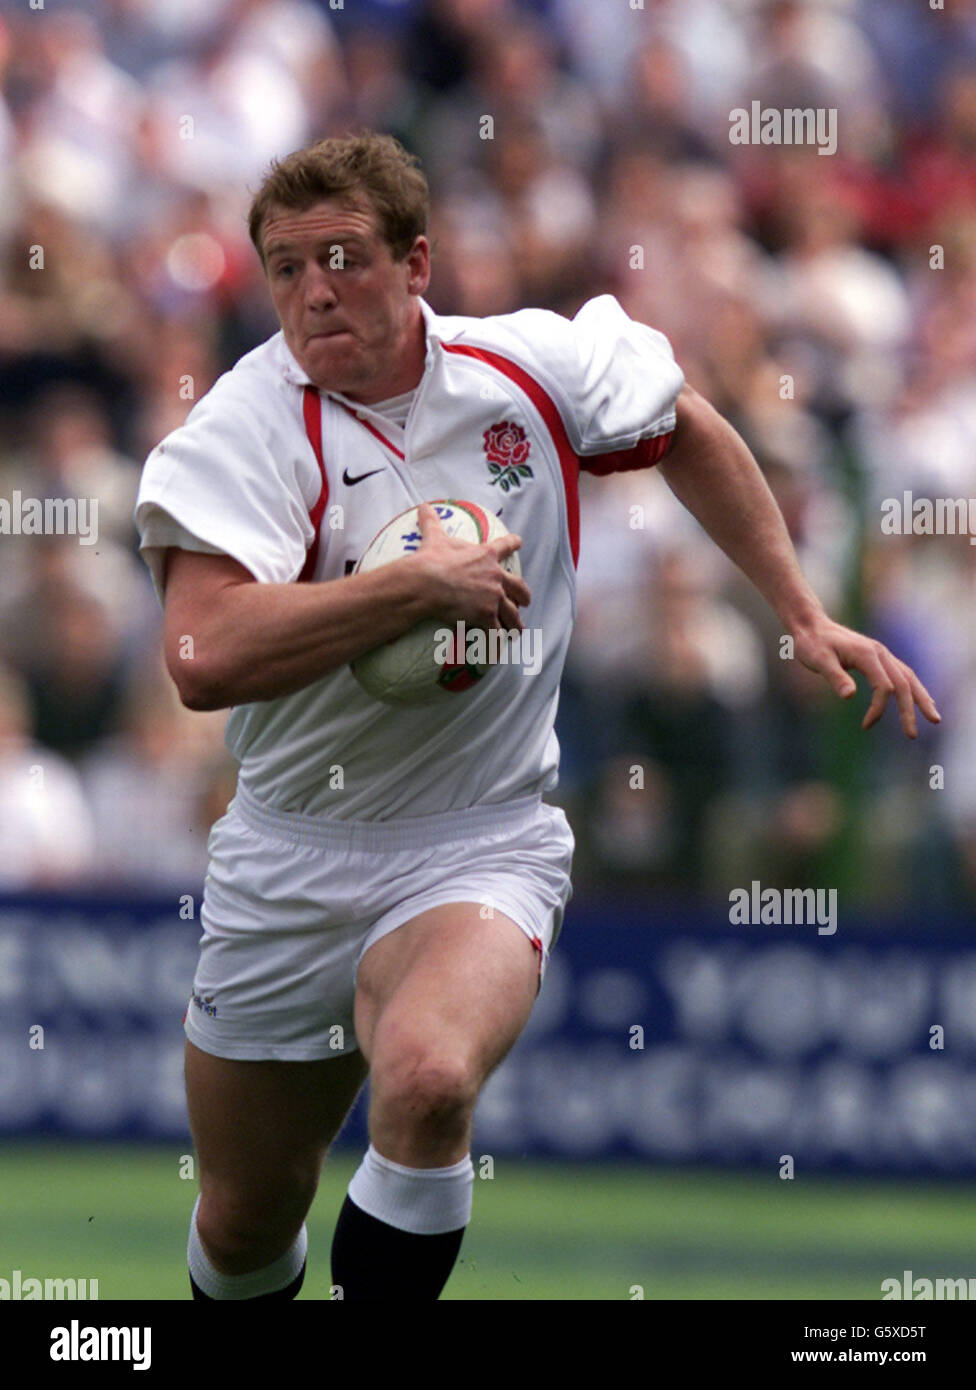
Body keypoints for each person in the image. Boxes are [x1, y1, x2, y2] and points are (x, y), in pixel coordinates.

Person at [134, 131, 939, 1302]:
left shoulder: (534, 368)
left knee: (424, 1079)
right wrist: (408, 590)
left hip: (479, 832)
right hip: (289, 848)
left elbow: (687, 427)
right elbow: (200, 657)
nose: (313, 290)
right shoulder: (245, 429)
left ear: (417, 262)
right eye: (286, 265)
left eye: (344, 257)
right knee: (248, 1218)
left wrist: (800, 610)